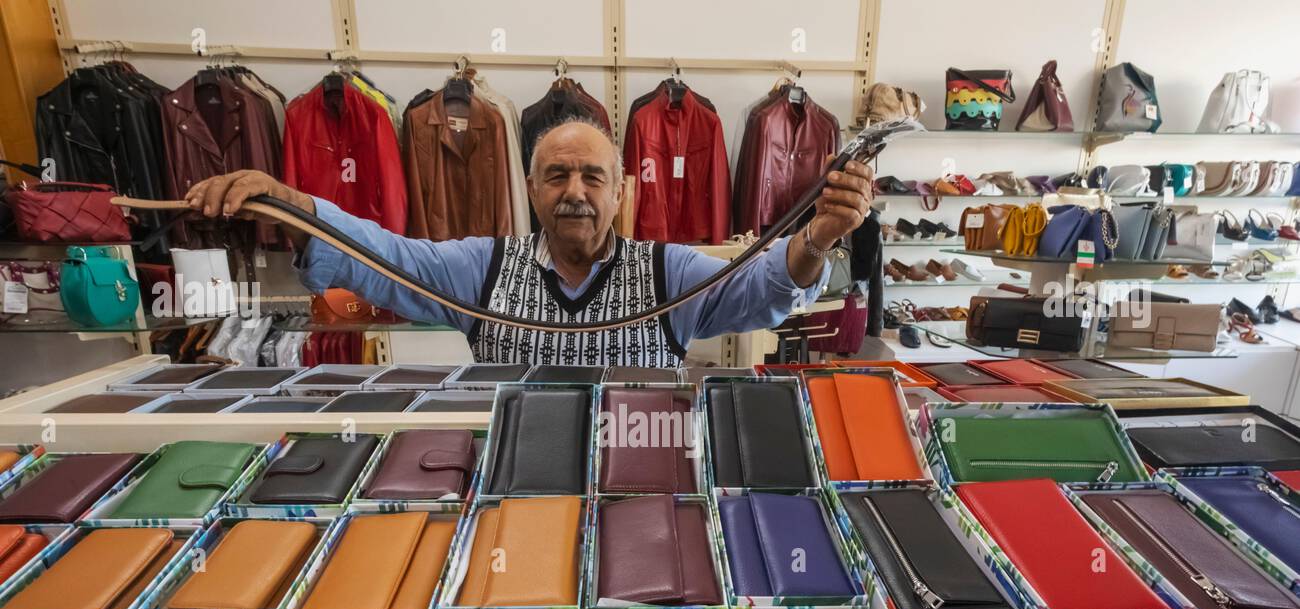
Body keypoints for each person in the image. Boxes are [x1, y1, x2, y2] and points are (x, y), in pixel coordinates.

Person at [185, 117, 875, 367]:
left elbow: (762, 291)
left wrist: (815, 238)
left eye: (592, 176)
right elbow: (387, 258)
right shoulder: (480, 269)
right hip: (508, 494)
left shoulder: (671, 273)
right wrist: (301, 208)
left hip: (639, 490)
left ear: (620, 191)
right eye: (557, 175)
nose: (575, 190)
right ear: (532, 187)